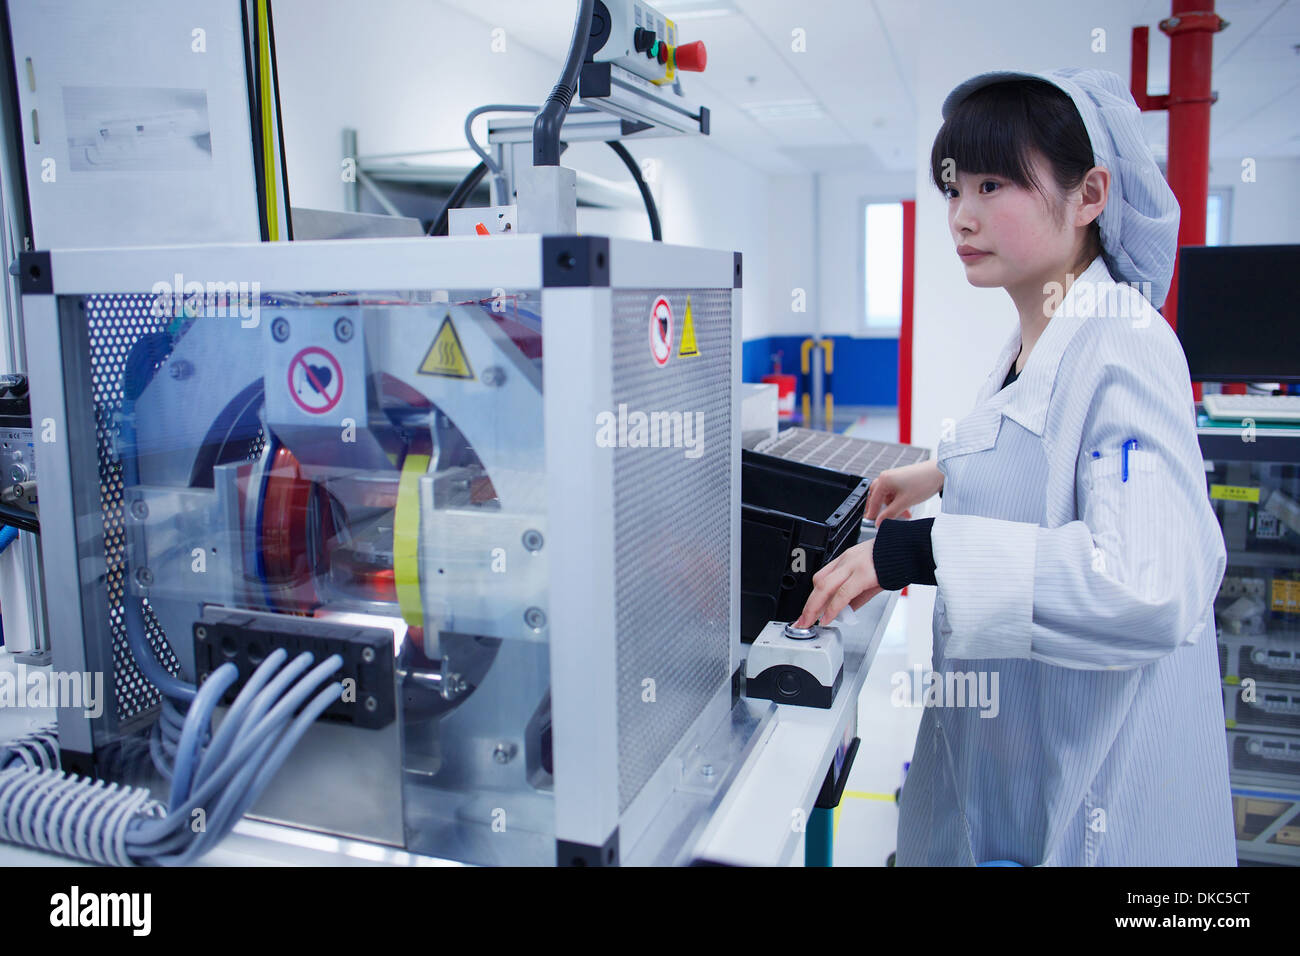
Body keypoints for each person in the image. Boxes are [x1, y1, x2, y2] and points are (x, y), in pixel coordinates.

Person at [794, 68, 1235, 866]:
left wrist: (914, 551)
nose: (961, 216)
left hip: (1101, 805)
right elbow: (1033, 439)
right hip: (1017, 754)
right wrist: (937, 471)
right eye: (954, 188)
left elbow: (1146, 585)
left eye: (994, 185)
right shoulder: (1040, 333)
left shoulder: (1125, 348)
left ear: (1090, 194)